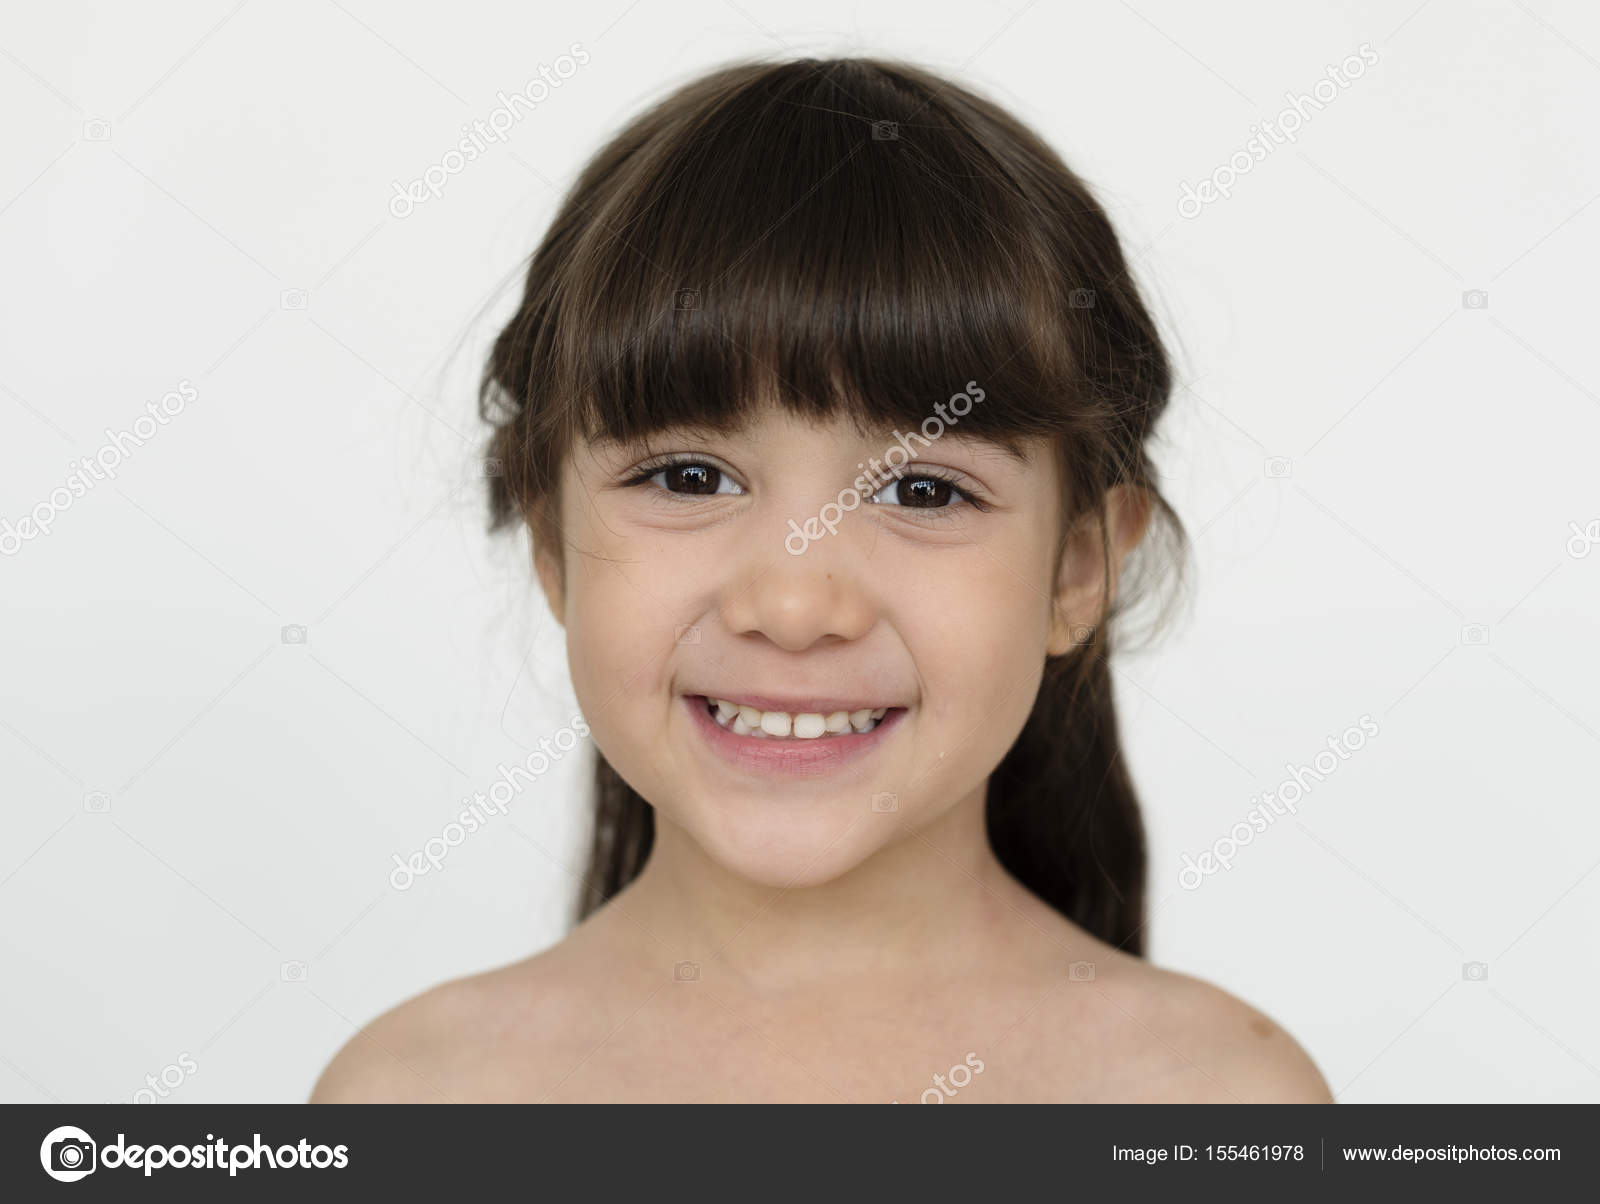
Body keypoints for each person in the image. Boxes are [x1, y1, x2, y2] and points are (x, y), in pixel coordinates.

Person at [311, 55, 1331, 1103]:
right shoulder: (415, 1099)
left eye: (926, 492)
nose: (794, 607)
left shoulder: (1214, 1100)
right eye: (688, 476)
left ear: (1077, 569)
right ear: (551, 545)